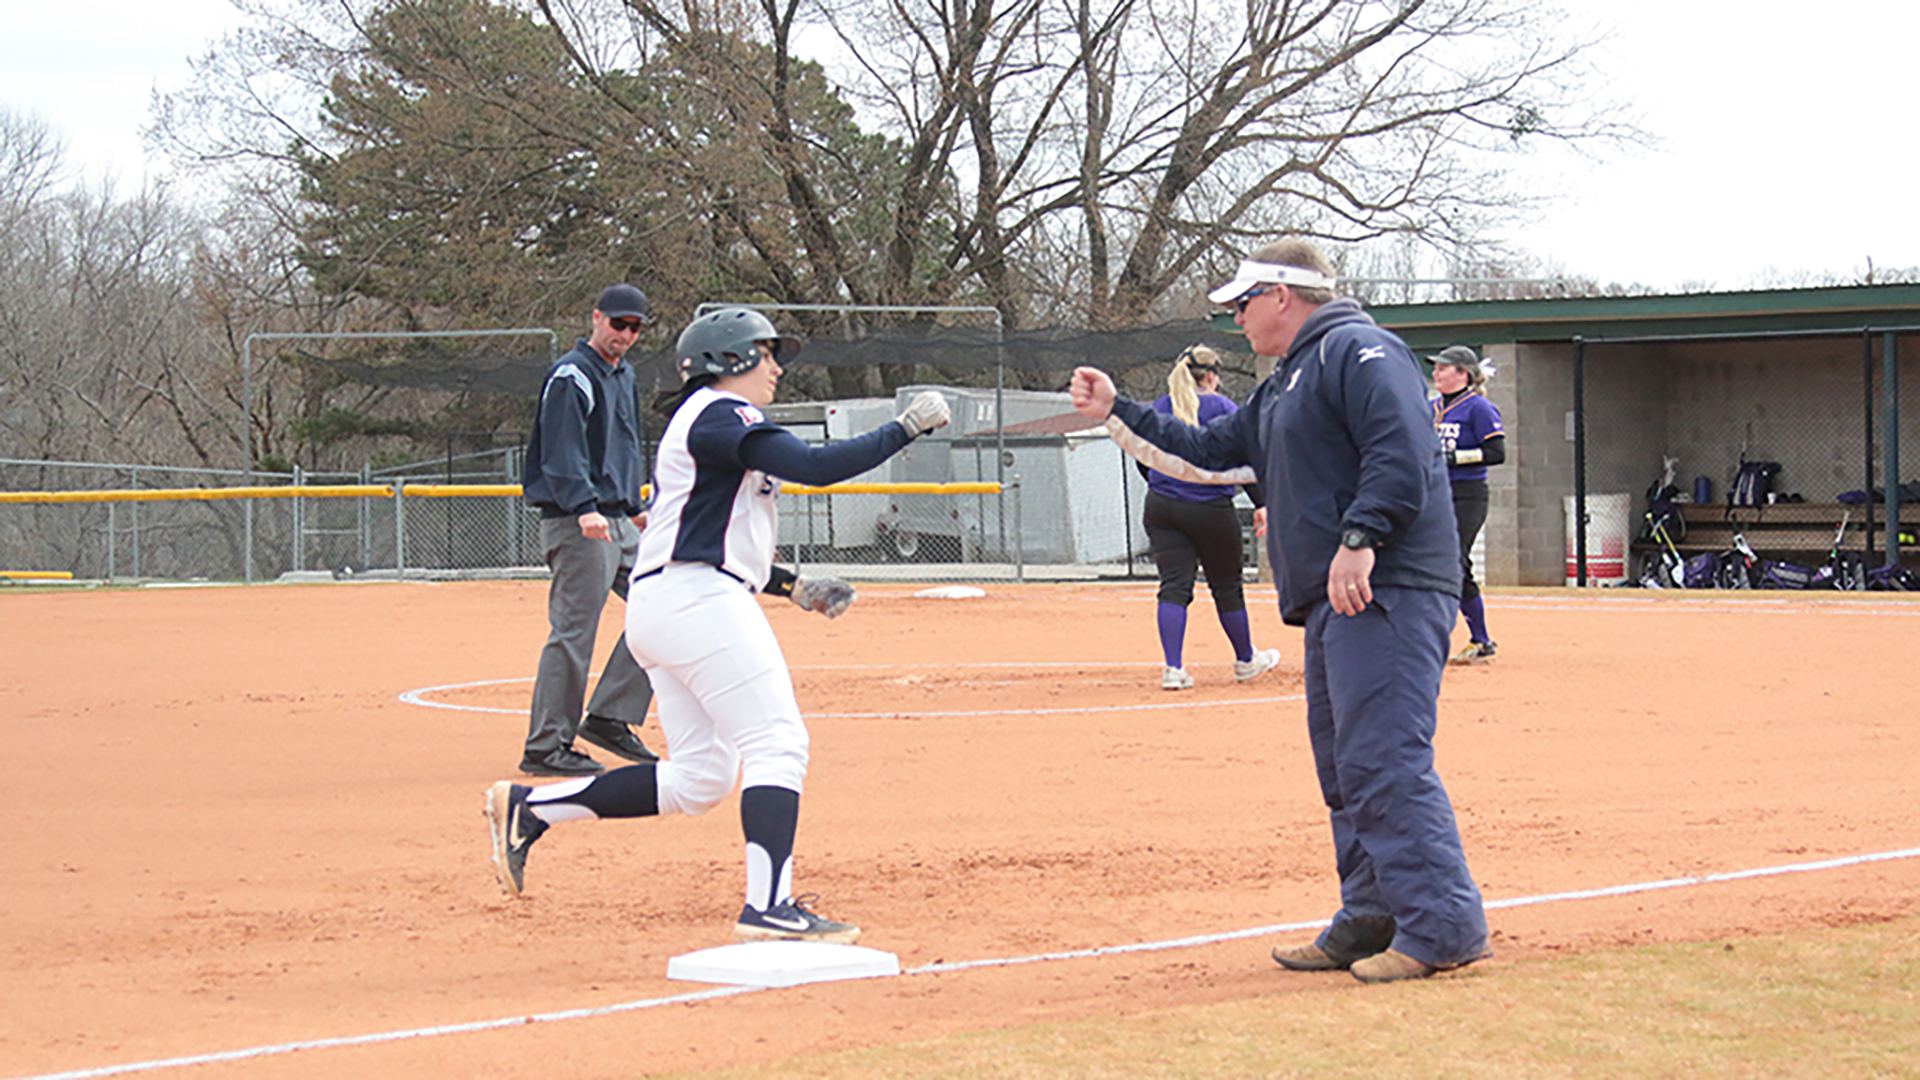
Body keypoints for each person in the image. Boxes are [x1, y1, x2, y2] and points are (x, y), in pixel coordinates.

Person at [1068, 239, 1489, 984]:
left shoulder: (1361, 351)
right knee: (1346, 766)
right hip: (1337, 597)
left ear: (1282, 296)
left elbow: (1399, 448)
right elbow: (1209, 451)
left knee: (1384, 758)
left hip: (1385, 586)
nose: (1236, 318)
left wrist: (1361, 538)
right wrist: (1117, 412)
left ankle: (1443, 927)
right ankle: (1372, 916)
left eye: (1243, 303)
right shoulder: (1289, 379)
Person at [486, 307, 952, 942]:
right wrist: (905, 428)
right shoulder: (718, 411)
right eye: (767, 353)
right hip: (695, 600)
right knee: (778, 744)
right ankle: (769, 906)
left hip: (671, 602)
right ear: (730, 360)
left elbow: (709, 532)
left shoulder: (710, 422)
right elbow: (814, 467)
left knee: (701, 777)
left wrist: (792, 587)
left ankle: (531, 808)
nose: (777, 367)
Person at [518, 283, 661, 777]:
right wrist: (583, 507)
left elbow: (622, 446)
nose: (626, 334)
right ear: (596, 318)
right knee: (574, 632)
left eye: (635, 327)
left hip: (618, 518)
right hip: (581, 522)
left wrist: (633, 505)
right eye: (618, 323)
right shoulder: (572, 376)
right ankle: (546, 746)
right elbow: (563, 452)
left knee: (667, 605)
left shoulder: (623, 375)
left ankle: (609, 716)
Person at [1139, 344, 1279, 690]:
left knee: (1174, 585)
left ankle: (1173, 669)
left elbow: (1143, 458)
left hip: (1161, 506)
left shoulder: (1160, 407)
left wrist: (1163, 485)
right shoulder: (1223, 408)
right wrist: (1261, 503)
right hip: (1209, 507)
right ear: (1212, 377)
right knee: (1227, 586)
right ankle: (1245, 660)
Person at [1428, 345, 1506, 664]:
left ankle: (1481, 640)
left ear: (1463, 374)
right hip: (1434, 494)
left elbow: (1496, 453)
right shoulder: (1431, 408)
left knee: (1454, 559)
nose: (1435, 373)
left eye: (1443, 368)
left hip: (1467, 493)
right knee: (1437, 562)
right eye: (1435, 368)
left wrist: (1456, 457)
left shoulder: (1478, 408)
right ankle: (1472, 639)